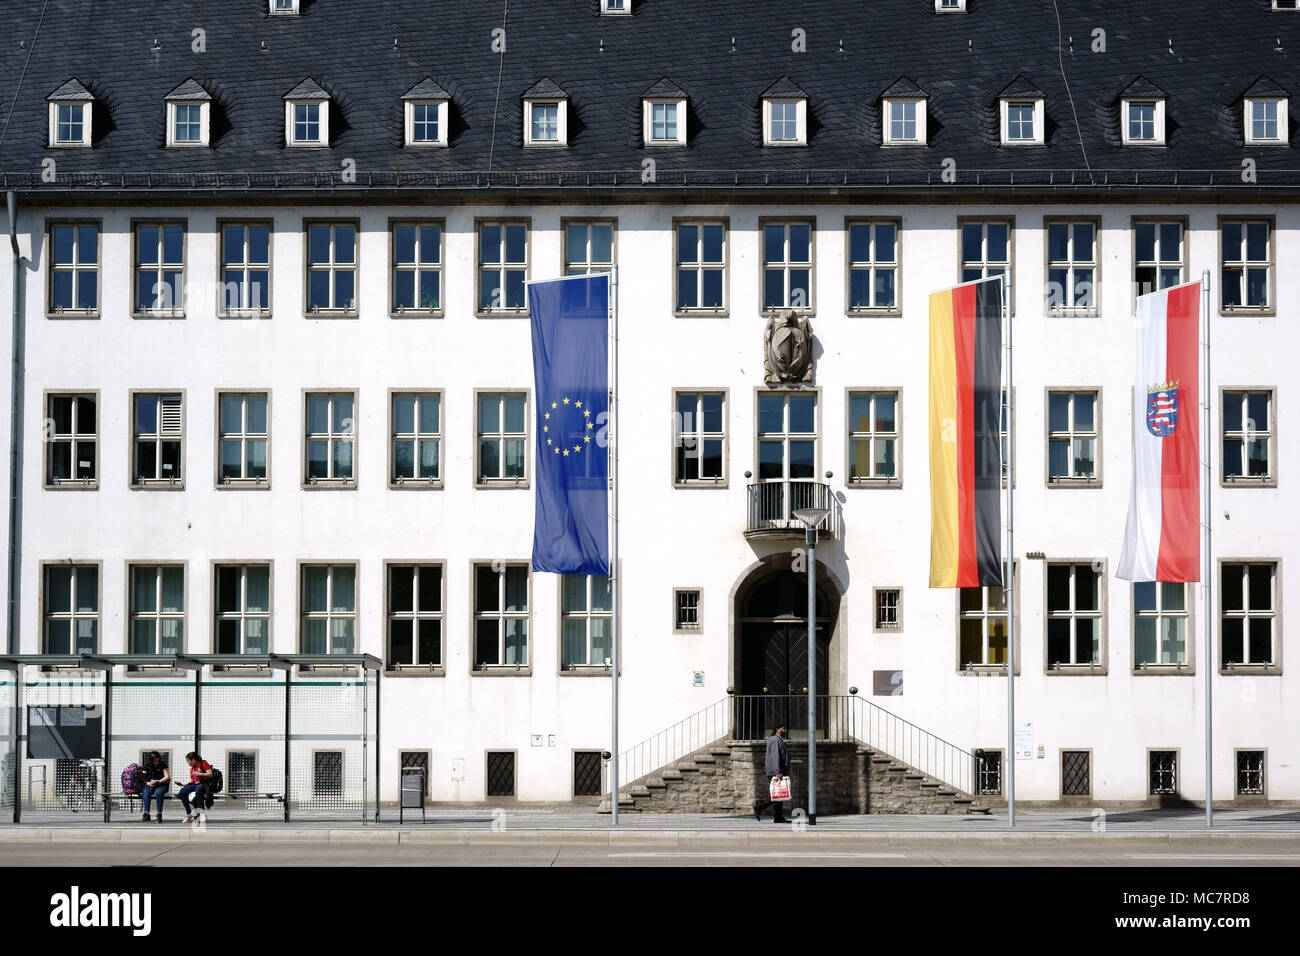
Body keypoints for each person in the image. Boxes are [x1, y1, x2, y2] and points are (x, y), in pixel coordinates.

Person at [755, 724, 792, 824]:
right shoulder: (776, 741)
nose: (785, 730)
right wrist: (778, 773)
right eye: (783, 728)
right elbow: (776, 757)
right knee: (777, 795)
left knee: (780, 795)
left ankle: (778, 817)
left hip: (778, 771)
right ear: (777, 730)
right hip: (776, 772)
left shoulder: (777, 740)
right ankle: (759, 806)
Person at [178, 752, 214, 824]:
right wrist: (183, 784)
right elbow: (192, 781)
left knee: (198, 790)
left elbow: (210, 774)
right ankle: (188, 813)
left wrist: (199, 774)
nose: (188, 762)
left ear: (194, 760)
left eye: (188, 760)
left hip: (204, 784)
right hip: (195, 784)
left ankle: (202, 813)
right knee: (182, 793)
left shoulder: (203, 763)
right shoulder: (192, 768)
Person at [139, 751, 170, 823]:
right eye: (154, 761)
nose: (156, 762)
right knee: (146, 793)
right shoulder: (146, 766)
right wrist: (147, 783)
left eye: (157, 761)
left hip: (161, 784)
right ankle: (146, 813)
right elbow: (142, 777)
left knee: (158, 793)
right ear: (150, 760)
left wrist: (158, 782)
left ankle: (159, 814)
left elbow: (167, 777)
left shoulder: (163, 764)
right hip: (150, 784)